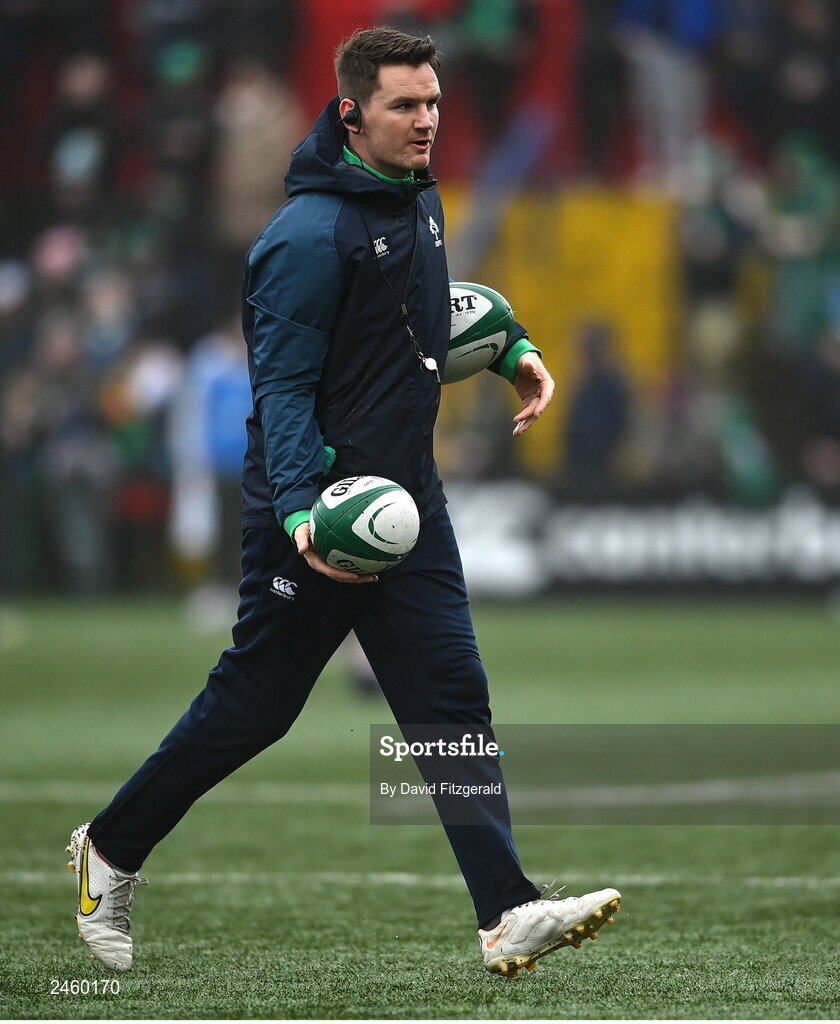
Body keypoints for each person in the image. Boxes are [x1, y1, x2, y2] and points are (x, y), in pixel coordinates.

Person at [65, 26, 621, 979]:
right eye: (407, 106)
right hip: (317, 511)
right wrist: (297, 518)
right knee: (254, 707)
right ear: (353, 111)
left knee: (451, 697)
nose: (428, 122)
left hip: (410, 501)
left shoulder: (418, 198)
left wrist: (514, 345)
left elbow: (425, 311)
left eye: (436, 103)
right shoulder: (303, 237)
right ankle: (108, 850)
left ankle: (507, 911)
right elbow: (278, 390)